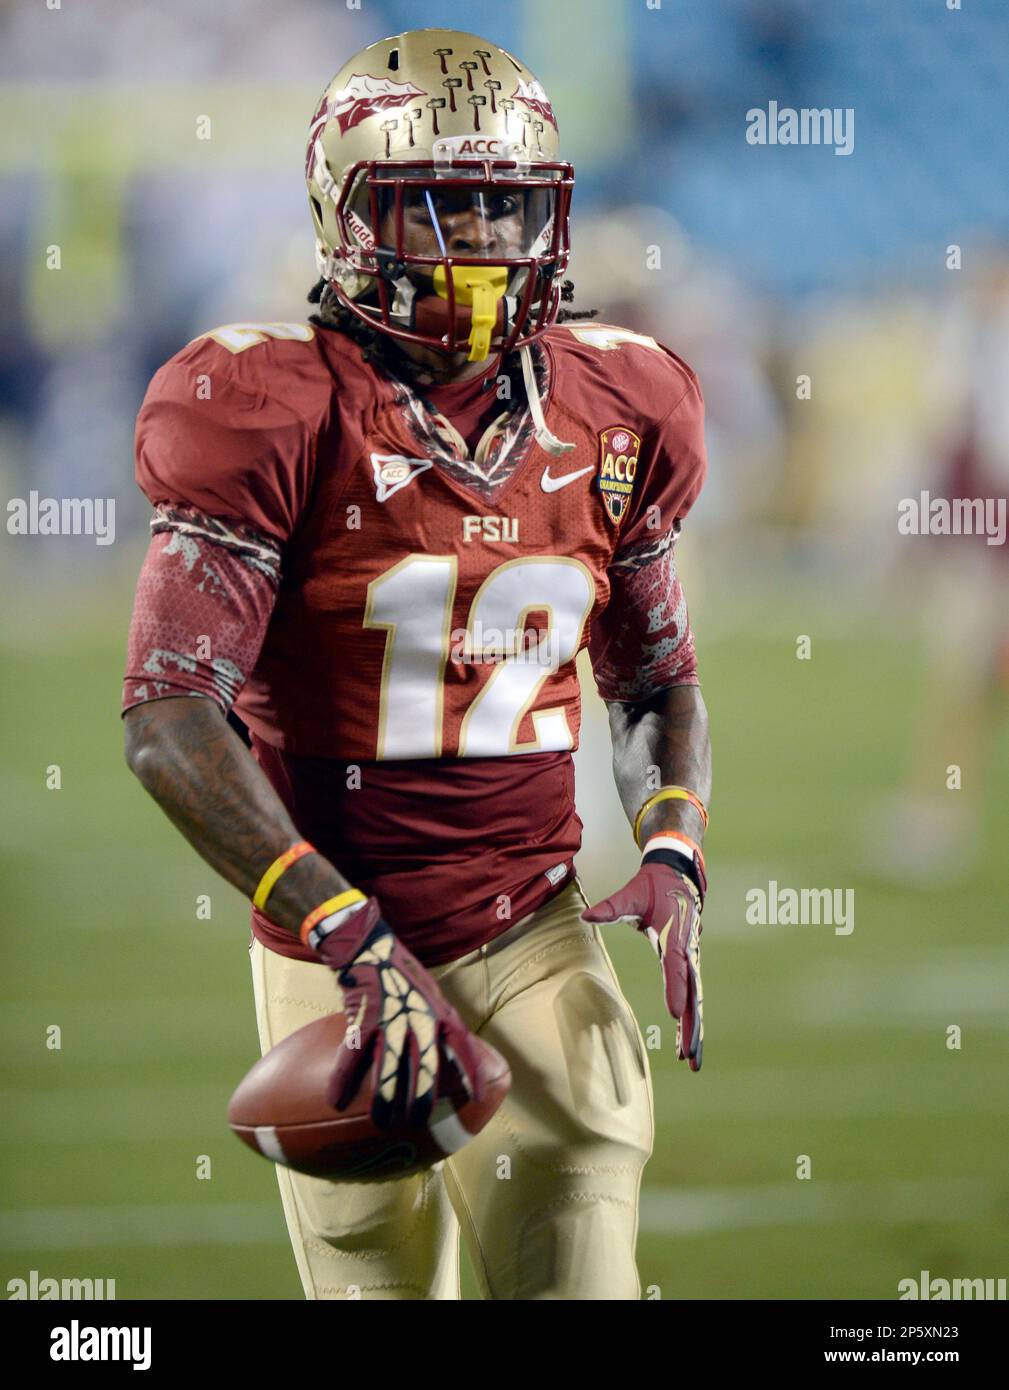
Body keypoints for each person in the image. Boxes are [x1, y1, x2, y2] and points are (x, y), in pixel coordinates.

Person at [122, 26, 711, 1300]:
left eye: (506, 205)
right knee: (375, 1282)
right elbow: (169, 714)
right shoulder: (269, 406)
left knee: (580, 1228)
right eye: (435, 205)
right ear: (346, 215)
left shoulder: (618, 406)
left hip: (530, 920)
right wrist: (345, 932)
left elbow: (655, 674)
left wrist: (670, 836)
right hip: (329, 938)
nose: (481, 241)